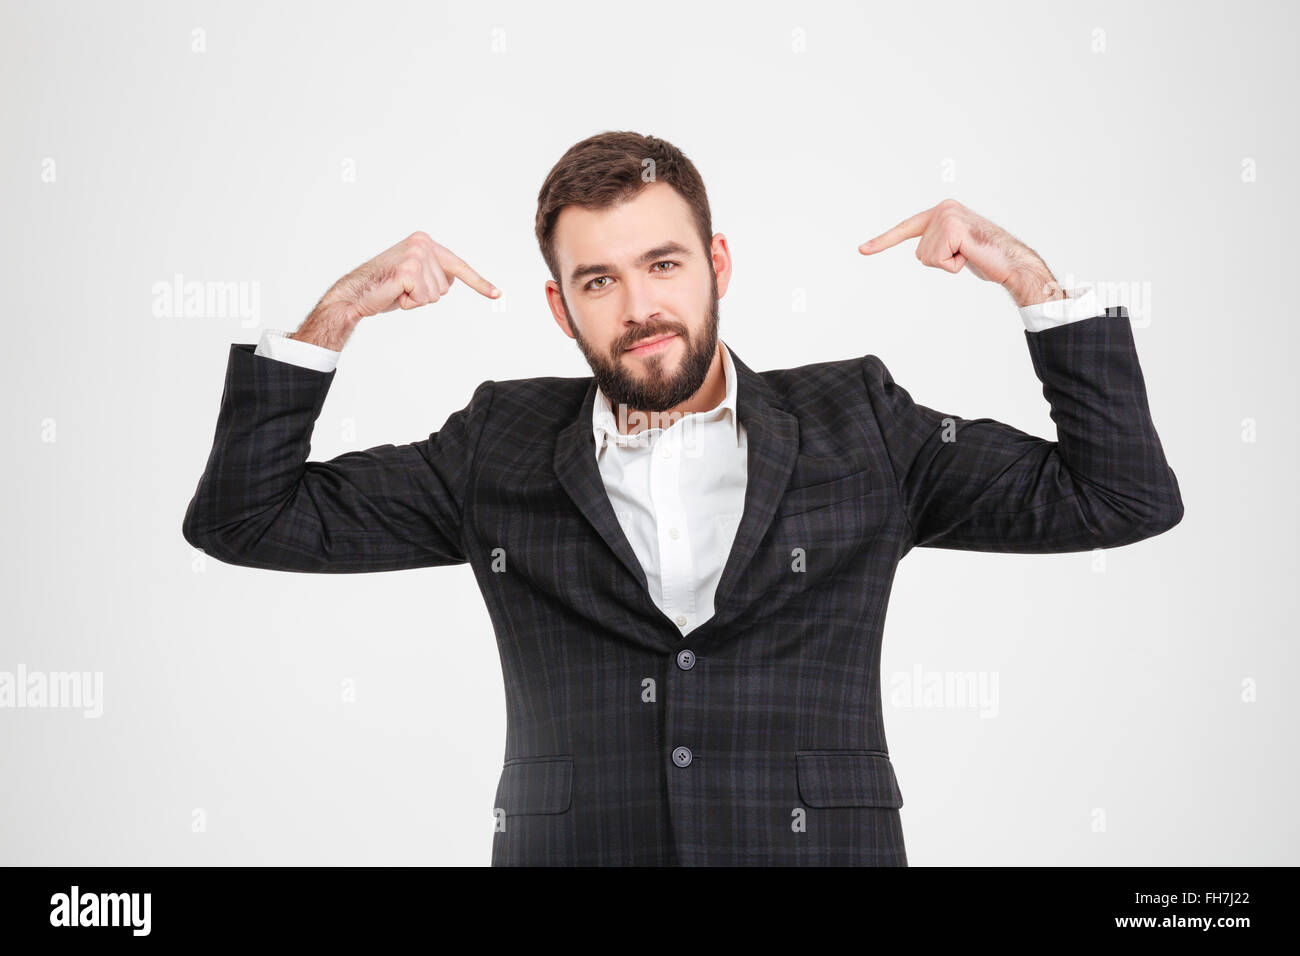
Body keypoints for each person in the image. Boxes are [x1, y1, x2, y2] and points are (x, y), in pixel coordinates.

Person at [183, 130, 1183, 865]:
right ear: (559, 306)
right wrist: (337, 315)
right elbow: (245, 516)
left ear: (716, 265)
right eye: (598, 282)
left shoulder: (859, 421)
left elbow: (1120, 497)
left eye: (662, 264)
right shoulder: (498, 443)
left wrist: (1033, 284)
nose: (638, 308)